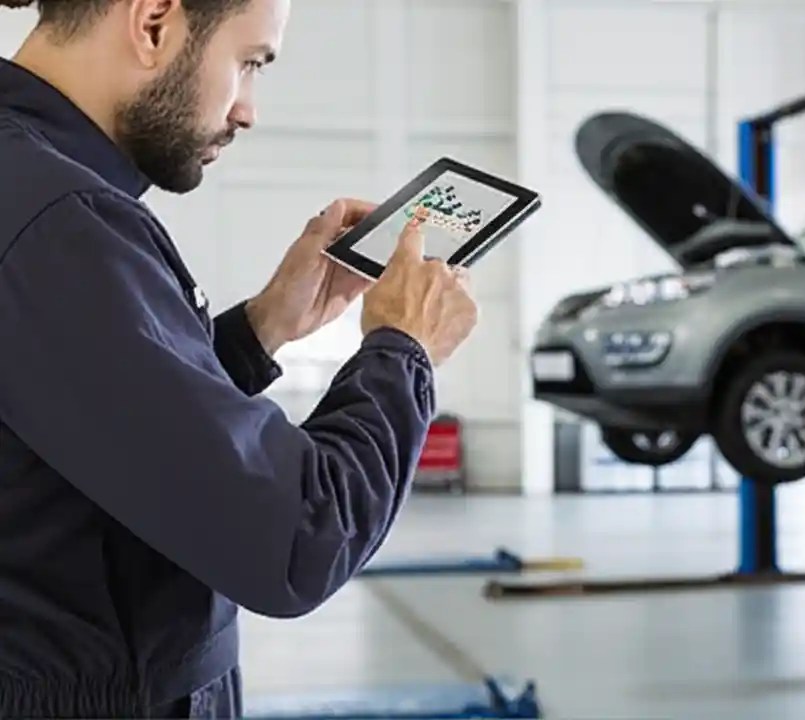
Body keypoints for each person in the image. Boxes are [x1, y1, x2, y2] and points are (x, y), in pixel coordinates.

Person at [0, 0, 480, 716]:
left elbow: (81, 430)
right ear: (154, 21)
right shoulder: (64, 225)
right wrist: (402, 350)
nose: (249, 109)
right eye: (249, 62)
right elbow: (293, 540)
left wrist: (260, 331)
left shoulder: (27, 184)